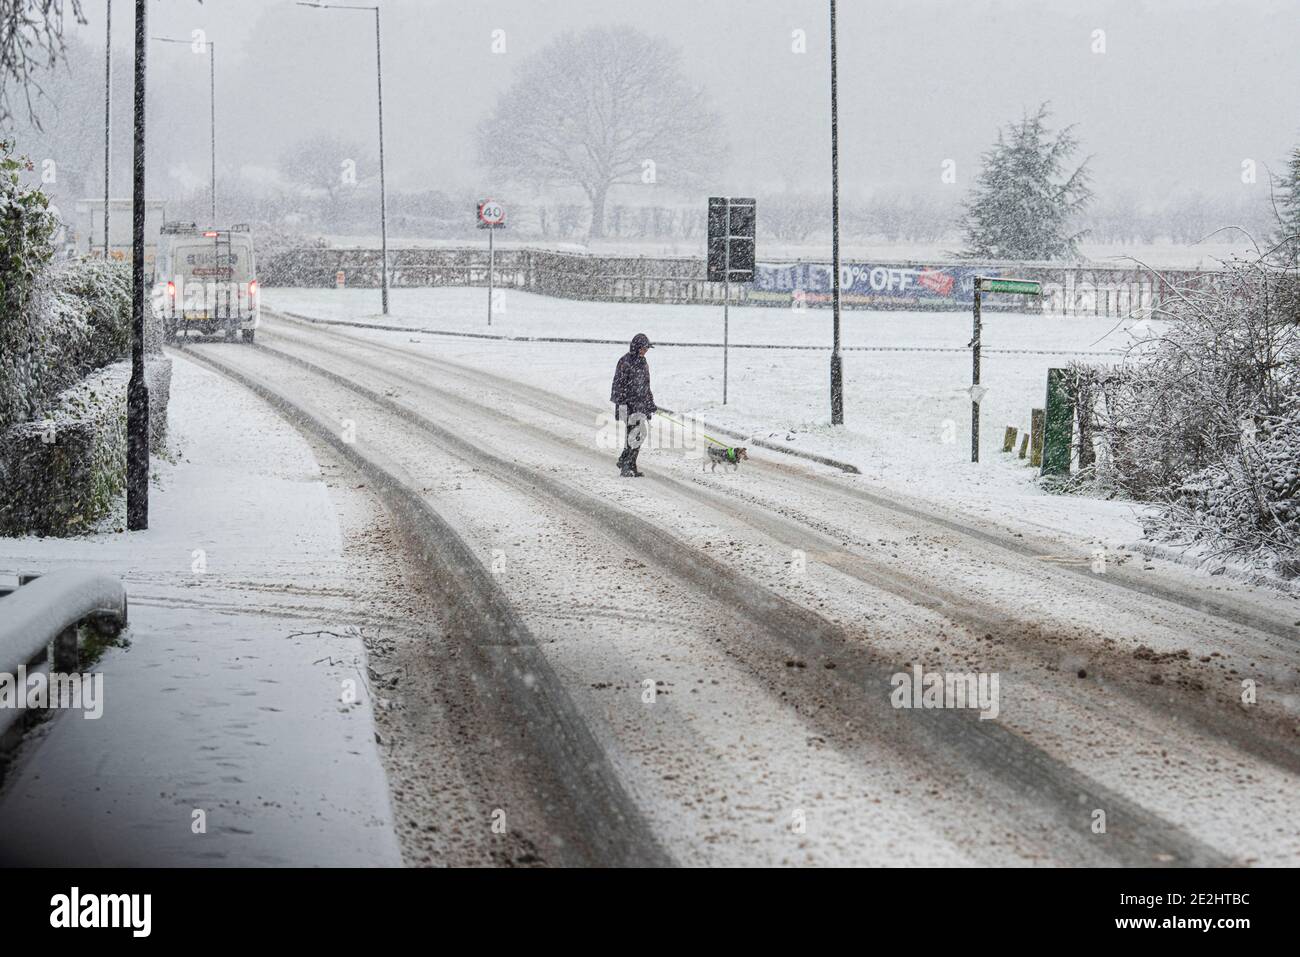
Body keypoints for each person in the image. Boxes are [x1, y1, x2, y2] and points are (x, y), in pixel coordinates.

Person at [610, 332, 656, 477]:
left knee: (639, 434)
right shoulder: (625, 361)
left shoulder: (643, 362)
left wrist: (650, 403)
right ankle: (626, 466)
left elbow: (646, 385)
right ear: (636, 347)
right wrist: (621, 404)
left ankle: (628, 462)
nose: (645, 350)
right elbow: (618, 384)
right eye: (643, 348)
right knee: (634, 435)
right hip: (628, 406)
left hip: (640, 405)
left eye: (647, 348)